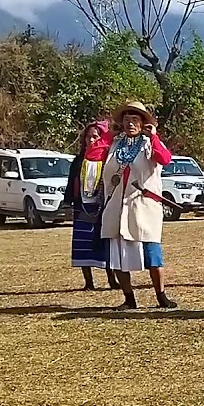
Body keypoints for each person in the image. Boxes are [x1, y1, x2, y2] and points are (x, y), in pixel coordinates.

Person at [89, 101, 177, 309]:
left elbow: (164, 158)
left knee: (152, 254)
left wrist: (153, 136)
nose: (130, 124)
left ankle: (161, 295)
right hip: (117, 207)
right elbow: (92, 154)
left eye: (135, 120)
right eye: (126, 120)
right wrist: (109, 134)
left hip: (143, 207)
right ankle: (129, 298)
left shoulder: (149, 143)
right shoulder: (114, 145)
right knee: (118, 257)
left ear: (143, 123)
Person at [66, 120, 119, 291]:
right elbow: (71, 182)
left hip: (102, 205)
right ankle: (88, 282)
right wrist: (69, 202)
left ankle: (112, 280)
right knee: (82, 244)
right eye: (88, 137)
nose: (91, 140)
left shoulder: (108, 158)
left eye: (95, 136)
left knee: (105, 243)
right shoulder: (79, 160)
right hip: (82, 205)